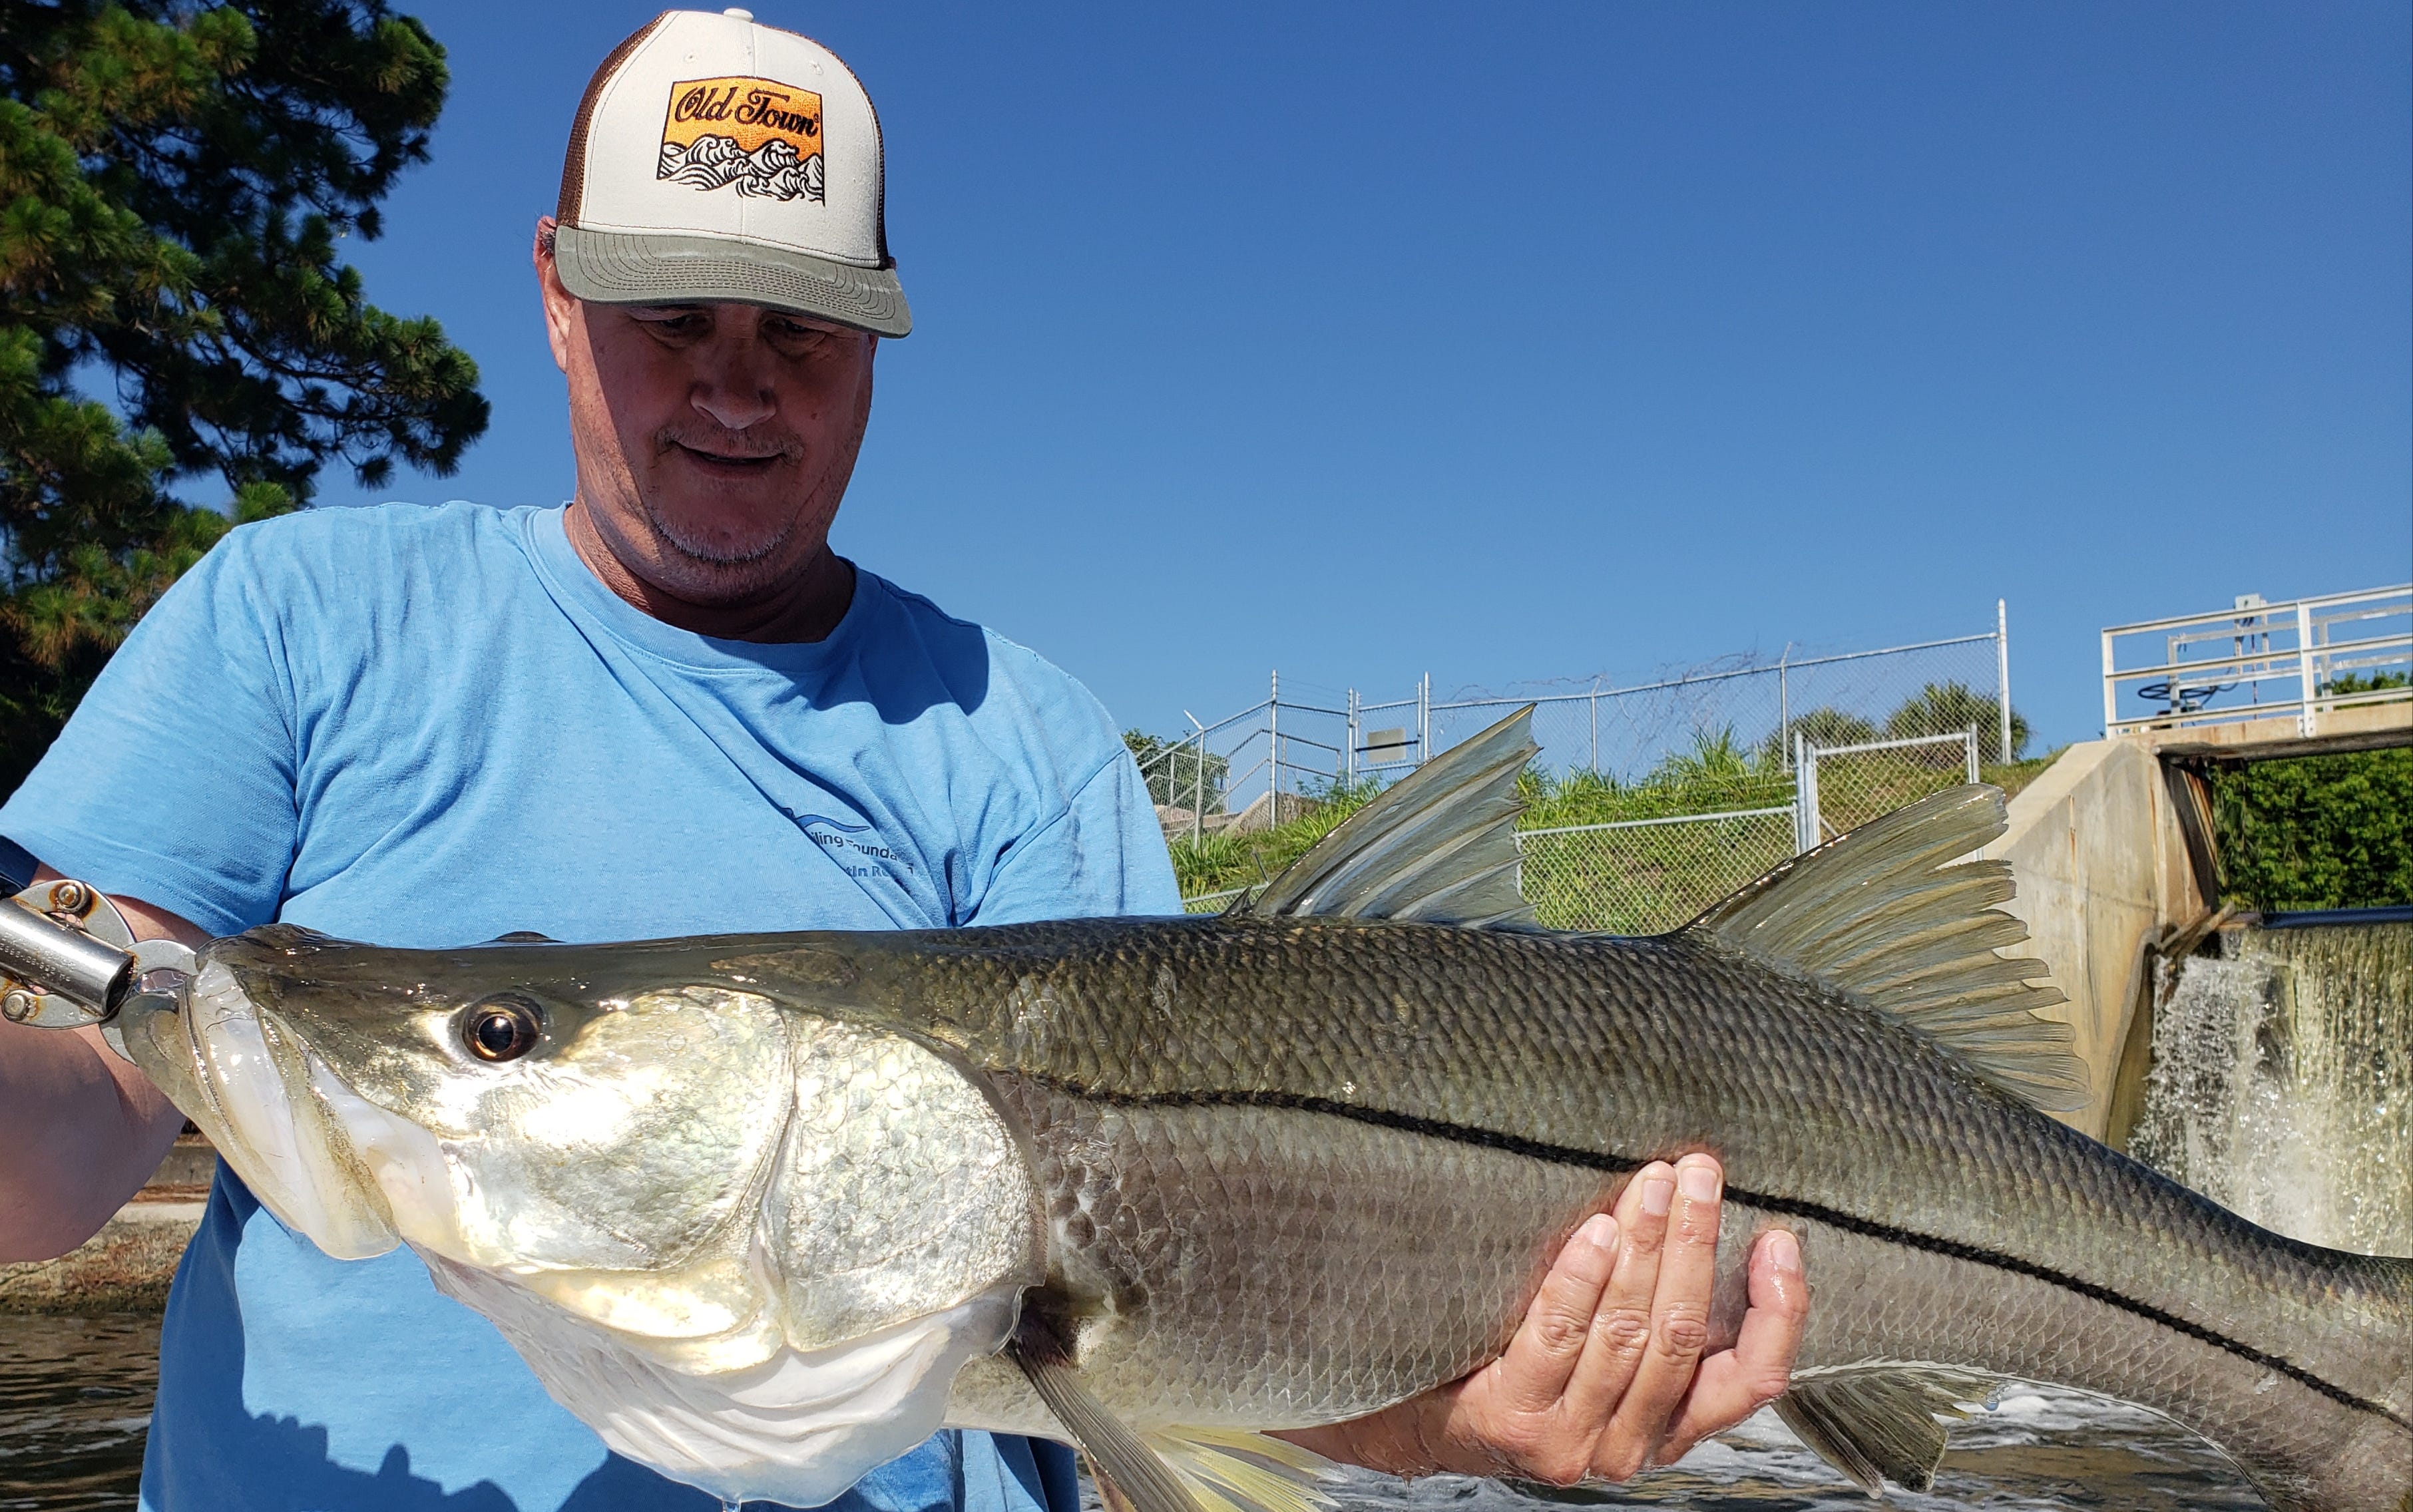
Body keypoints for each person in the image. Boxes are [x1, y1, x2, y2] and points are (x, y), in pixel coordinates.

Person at [0, 11, 1807, 1510]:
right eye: (669, 317)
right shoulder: (300, 616)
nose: (732, 385)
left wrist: (1447, 1422)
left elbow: (1151, 1331)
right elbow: (75, 1131)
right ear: (555, 294)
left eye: (796, 328)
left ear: (873, 336)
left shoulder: (1015, 737)